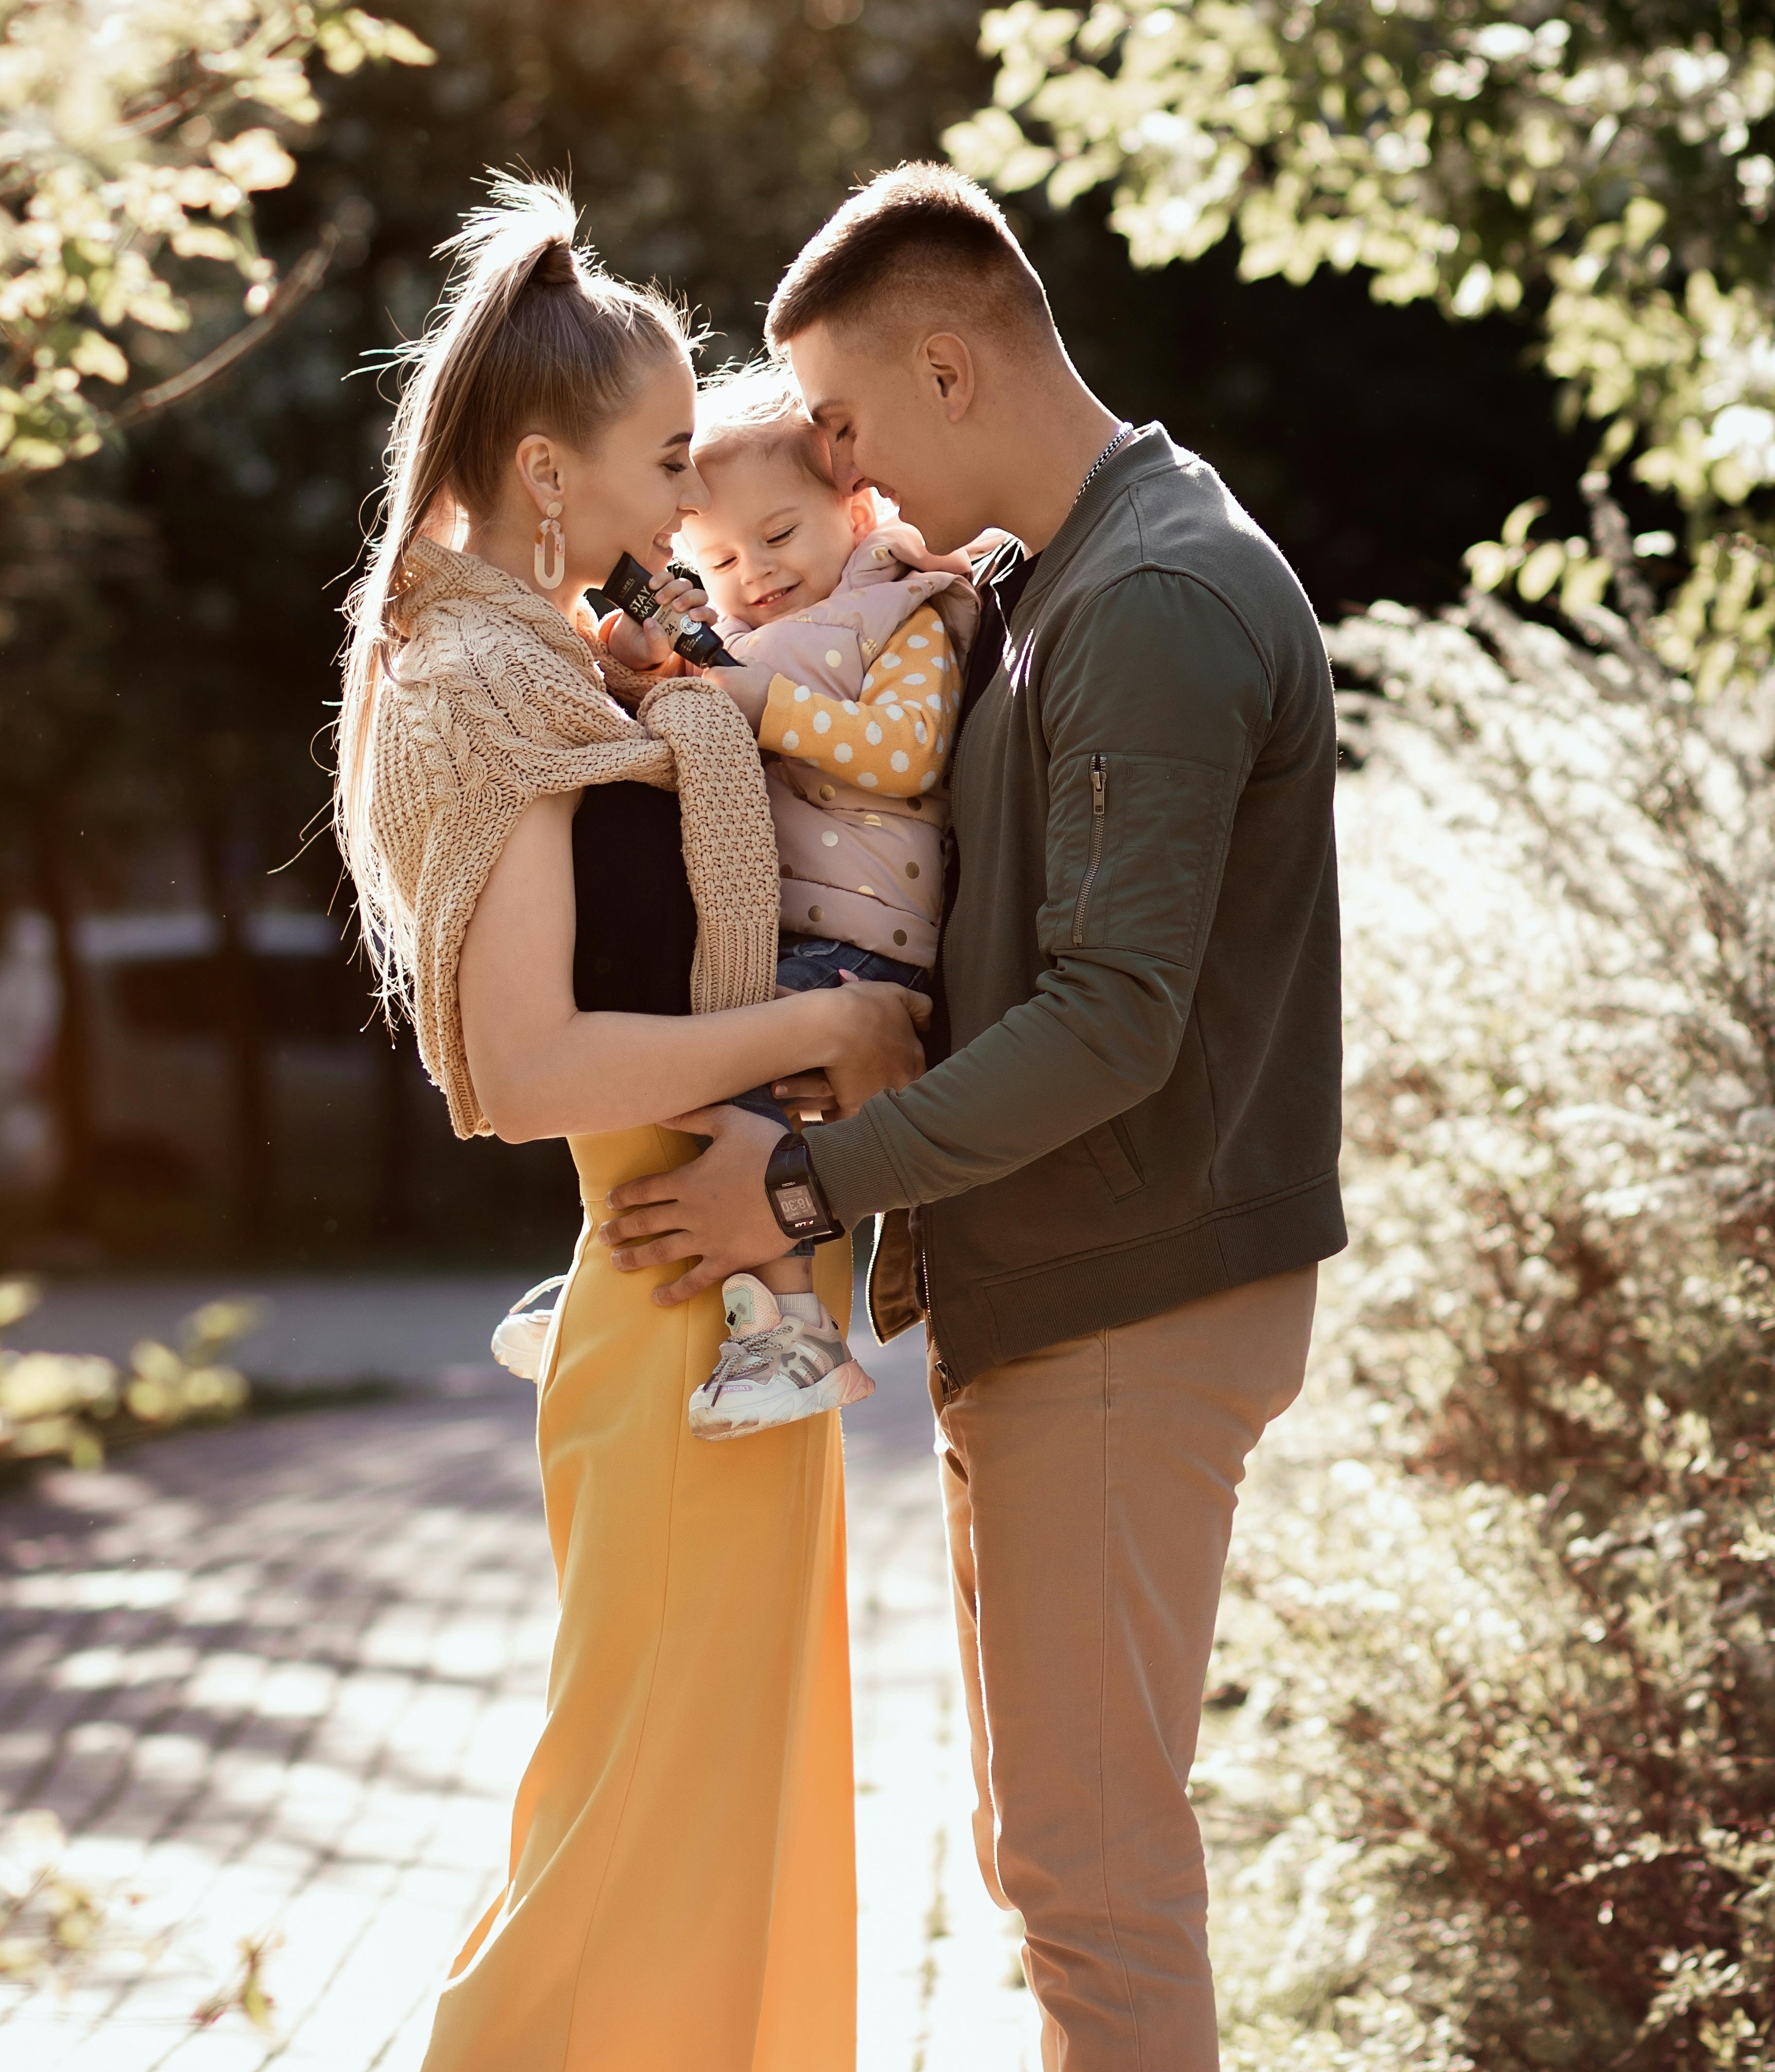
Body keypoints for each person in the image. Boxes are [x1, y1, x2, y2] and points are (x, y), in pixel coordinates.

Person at [599, 164, 1346, 2071]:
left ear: (948, 369)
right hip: (1060, 1284)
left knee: (1089, 1873)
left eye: (840, 424)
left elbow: (1112, 1022)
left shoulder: (1156, 595)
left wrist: (804, 1179)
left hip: (1129, 1296)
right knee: (1050, 1856)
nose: (838, 476)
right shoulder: (1036, 580)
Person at [333, 172, 927, 2072]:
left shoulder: (536, 654)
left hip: (729, 1289)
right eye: (670, 457)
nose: (691, 504)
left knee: (725, 1842)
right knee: (621, 1872)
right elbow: (517, 1072)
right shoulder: (483, 687)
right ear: (542, 471)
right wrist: (836, 1020)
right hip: (679, 1300)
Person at [673, 361, 977, 1436]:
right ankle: (627, 1287)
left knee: (728, 1087)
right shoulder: (744, 647)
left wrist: (760, 702)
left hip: (870, 951)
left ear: (855, 511)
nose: (752, 573)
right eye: (717, 558)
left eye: (779, 535)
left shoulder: (903, 613)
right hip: (786, 943)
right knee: (652, 1053)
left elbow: (904, 754)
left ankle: (794, 1331)